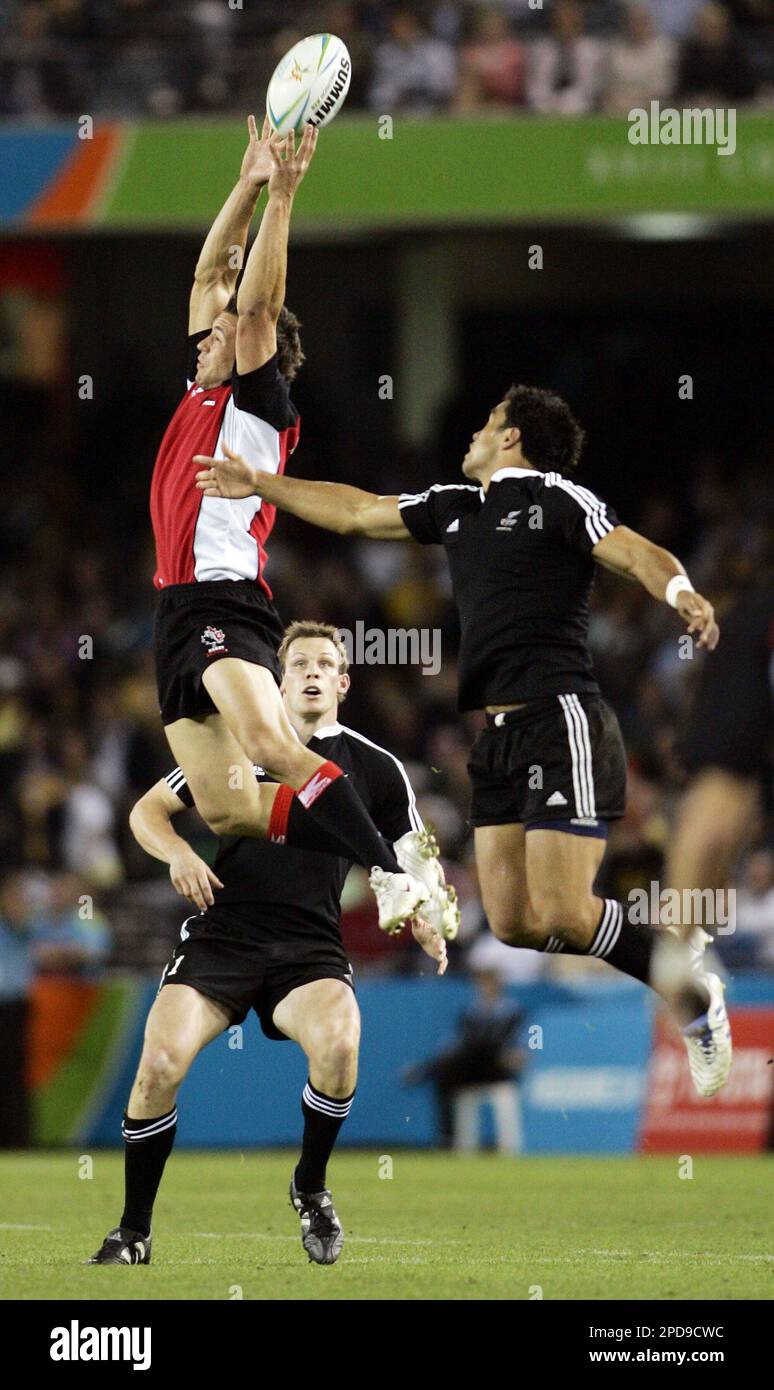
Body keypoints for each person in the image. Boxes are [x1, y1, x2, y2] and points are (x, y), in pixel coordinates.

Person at [194, 382, 733, 1099]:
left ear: (512, 438)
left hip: (560, 716)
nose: (473, 432)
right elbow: (356, 511)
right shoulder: (456, 506)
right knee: (511, 922)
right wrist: (259, 482)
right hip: (498, 733)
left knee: (568, 909)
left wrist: (682, 595)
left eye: (487, 422)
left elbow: (638, 552)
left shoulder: (557, 498)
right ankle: (667, 957)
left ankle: (687, 987)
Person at [149, 113, 454, 939]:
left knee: (274, 747)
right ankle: (396, 852)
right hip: (175, 613)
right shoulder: (202, 389)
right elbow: (212, 272)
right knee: (234, 810)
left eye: (222, 334)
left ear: (253, 356)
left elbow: (253, 307)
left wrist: (284, 196)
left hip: (225, 602)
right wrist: (246, 183)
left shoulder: (257, 407)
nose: (208, 333)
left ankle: (396, 874)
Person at [87, 622, 449, 1269]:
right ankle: (133, 1233)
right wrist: (174, 852)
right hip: (223, 937)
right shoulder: (234, 744)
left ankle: (309, 1185)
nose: (311, 672)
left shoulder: (375, 767)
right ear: (278, 680)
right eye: (298, 663)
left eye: (324, 664)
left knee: (340, 1045)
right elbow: (146, 812)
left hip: (309, 945)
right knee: (160, 1064)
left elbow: (414, 851)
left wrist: (427, 910)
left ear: (342, 682)